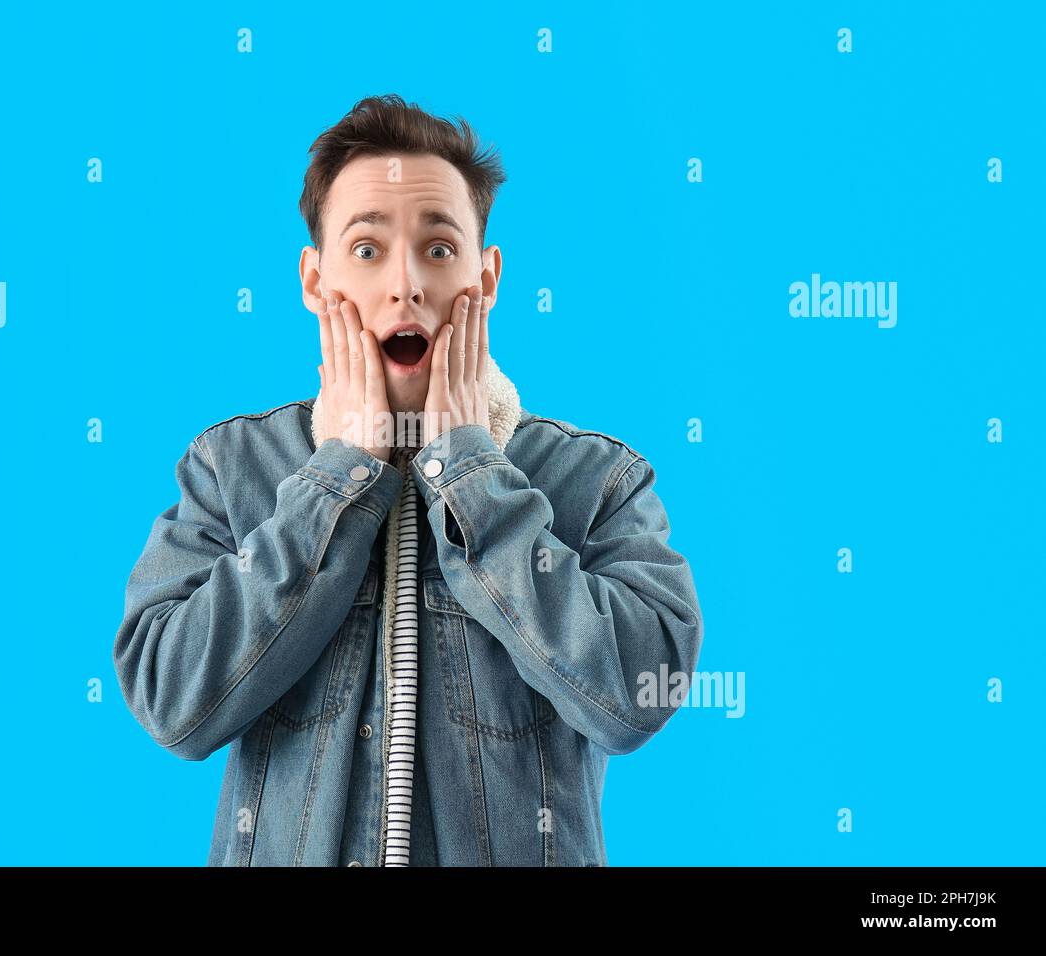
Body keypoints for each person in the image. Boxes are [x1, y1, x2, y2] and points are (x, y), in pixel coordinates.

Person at [113, 93, 704, 866]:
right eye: (366, 250)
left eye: (438, 248)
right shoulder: (231, 468)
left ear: (486, 278)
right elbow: (172, 703)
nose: (406, 286)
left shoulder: (596, 481)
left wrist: (471, 476)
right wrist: (339, 480)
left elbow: (635, 695)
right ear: (315, 279)